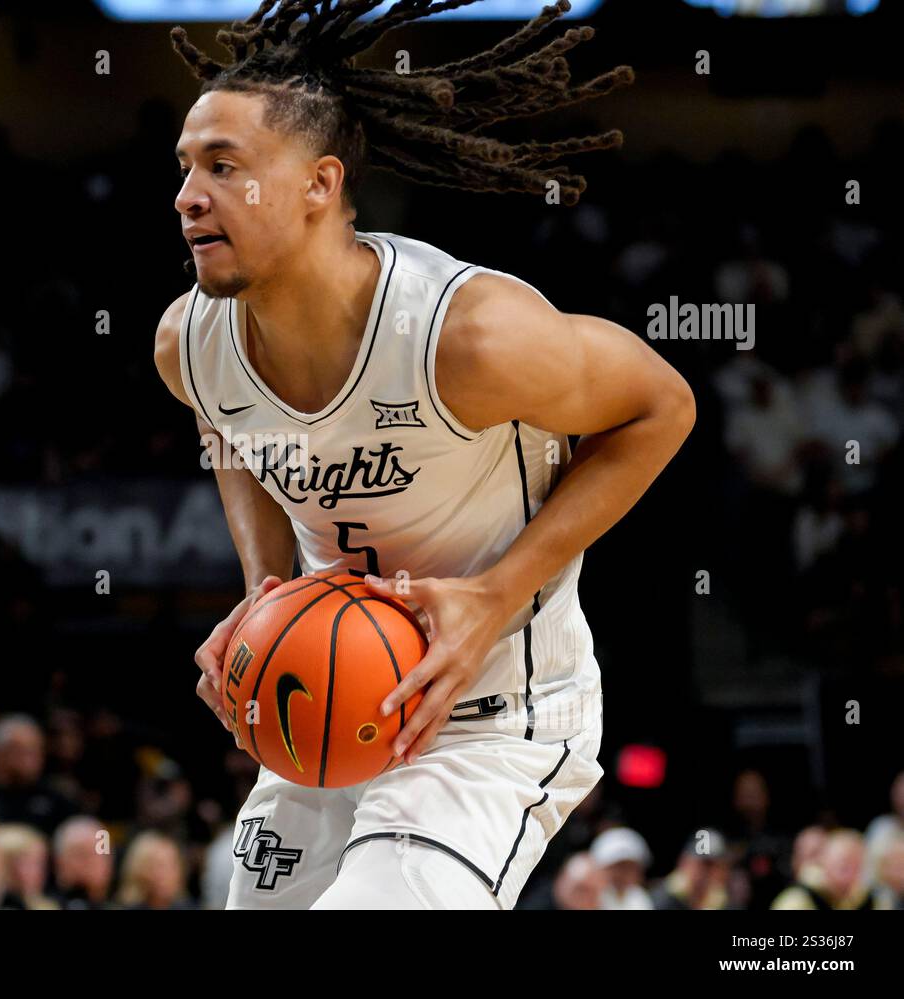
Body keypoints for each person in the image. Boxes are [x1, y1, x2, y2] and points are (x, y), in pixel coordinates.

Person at [155, 0, 693, 910]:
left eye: (222, 166)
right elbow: (229, 427)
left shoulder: (469, 337)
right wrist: (262, 589)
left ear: (320, 184)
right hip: (327, 704)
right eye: (183, 169)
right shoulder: (190, 345)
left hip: (493, 716)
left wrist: (493, 594)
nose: (186, 196)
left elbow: (661, 407)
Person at [649, 828, 732, 910]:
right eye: (703, 863)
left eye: (714, 865)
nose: (706, 872)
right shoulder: (660, 899)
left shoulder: (724, 901)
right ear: (684, 862)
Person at [589, 827, 654, 910]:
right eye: (617, 867)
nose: (623, 874)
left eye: (630, 867)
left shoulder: (640, 898)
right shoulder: (589, 895)